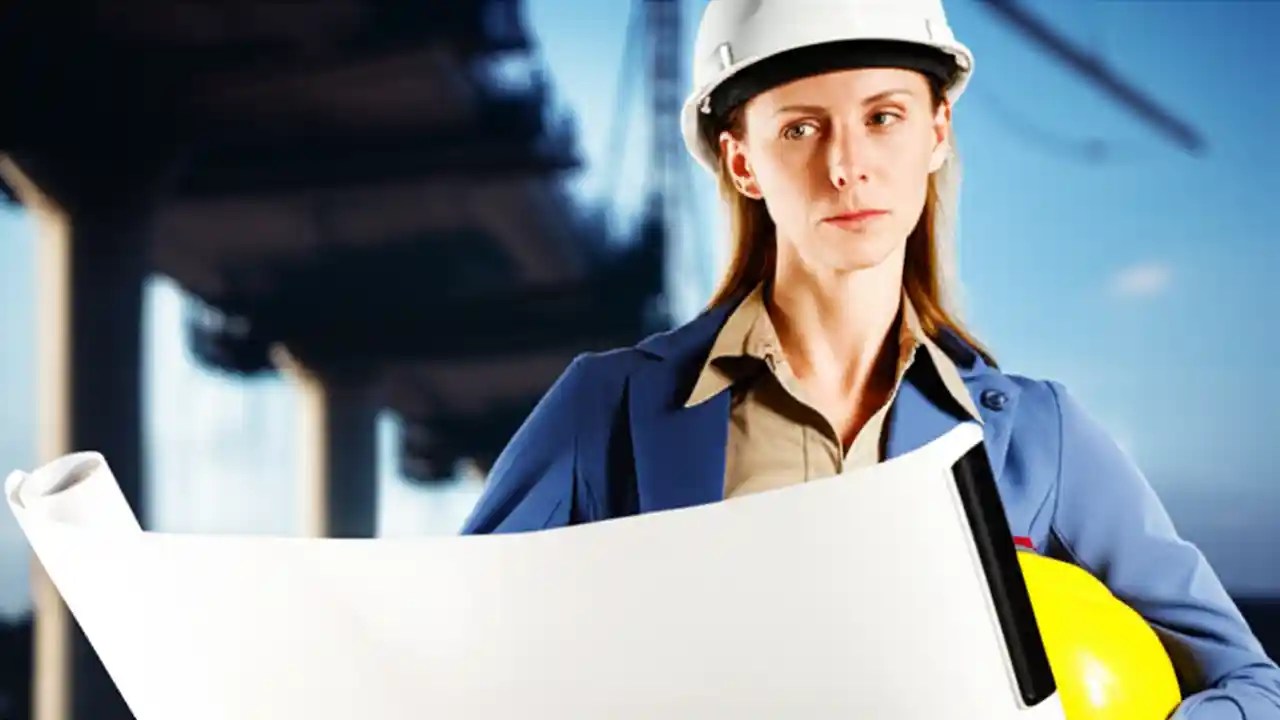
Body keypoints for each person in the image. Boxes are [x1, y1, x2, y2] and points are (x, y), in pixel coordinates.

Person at [460, 0, 1280, 715]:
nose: (846, 164)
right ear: (743, 160)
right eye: (800, 128)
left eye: (883, 116)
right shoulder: (605, 412)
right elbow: (449, 661)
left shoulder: (1038, 438)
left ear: (936, 132)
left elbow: (1251, 686)